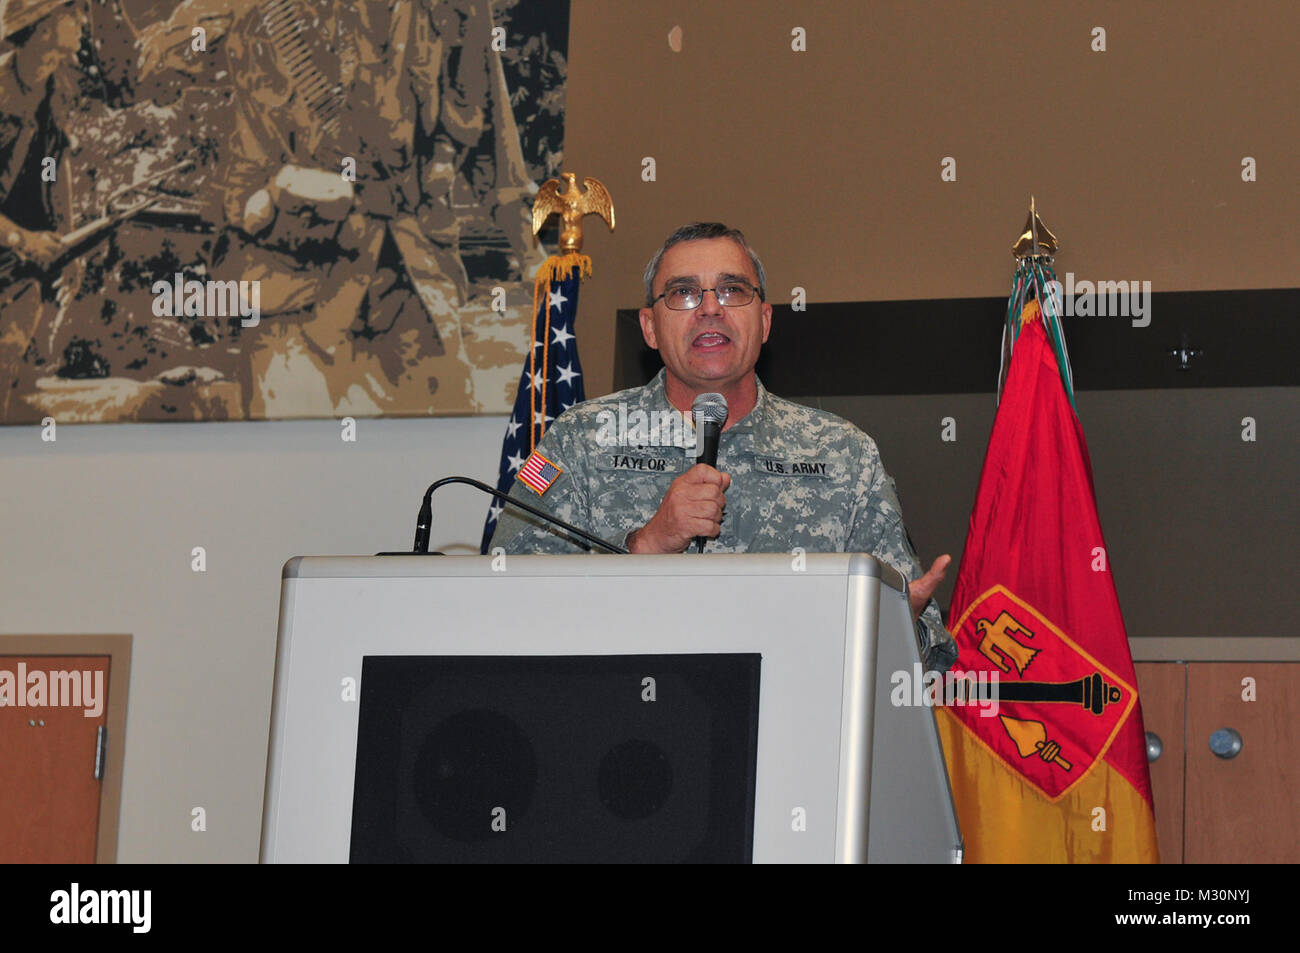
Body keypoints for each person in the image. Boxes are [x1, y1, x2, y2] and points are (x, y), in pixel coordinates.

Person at [489, 222, 957, 671]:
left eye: (733, 290)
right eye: (683, 292)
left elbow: (926, 653)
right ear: (650, 328)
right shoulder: (580, 439)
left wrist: (898, 626)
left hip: (793, 733)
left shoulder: (843, 454)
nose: (710, 308)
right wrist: (646, 546)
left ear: (766, 320)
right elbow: (501, 603)